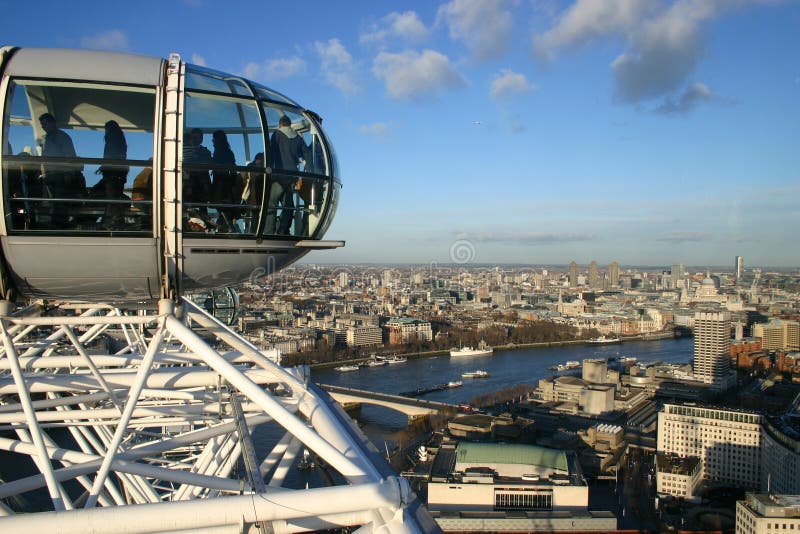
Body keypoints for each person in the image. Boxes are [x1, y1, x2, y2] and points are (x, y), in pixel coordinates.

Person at [38, 113, 83, 226]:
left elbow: (69, 156)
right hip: (50, 175)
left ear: (52, 123)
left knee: (60, 201)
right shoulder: (45, 139)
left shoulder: (63, 137)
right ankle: (54, 222)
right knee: (53, 201)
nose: (43, 127)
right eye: (42, 124)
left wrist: (68, 172)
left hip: (60, 175)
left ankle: (59, 224)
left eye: (45, 124)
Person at [268, 115, 310, 234]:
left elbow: (271, 154)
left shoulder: (276, 135)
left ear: (280, 124)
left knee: (271, 203)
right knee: (288, 204)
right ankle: (283, 229)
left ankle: (269, 230)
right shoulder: (298, 137)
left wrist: (269, 170)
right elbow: (305, 153)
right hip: (292, 176)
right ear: (290, 124)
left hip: (279, 175)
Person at [92, 120, 129, 228]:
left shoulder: (111, 139)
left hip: (112, 174)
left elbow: (110, 157)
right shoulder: (120, 140)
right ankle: (114, 222)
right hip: (119, 174)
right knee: (115, 198)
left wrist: (104, 167)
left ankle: (111, 222)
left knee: (111, 199)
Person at [211, 130, 237, 230]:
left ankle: (226, 226)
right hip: (226, 182)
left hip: (221, 182)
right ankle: (226, 226)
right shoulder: (227, 151)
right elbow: (233, 167)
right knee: (223, 205)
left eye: (214, 139)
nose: (213, 141)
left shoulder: (219, 152)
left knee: (221, 204)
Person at [237, 152, 264, 233]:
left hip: (251, 195)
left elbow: (243, 180)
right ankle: (255, 232)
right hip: (257, 195)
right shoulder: (261, 170)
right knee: (256, 215)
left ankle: (253, 232)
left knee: (254, 215)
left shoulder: (250, 167)